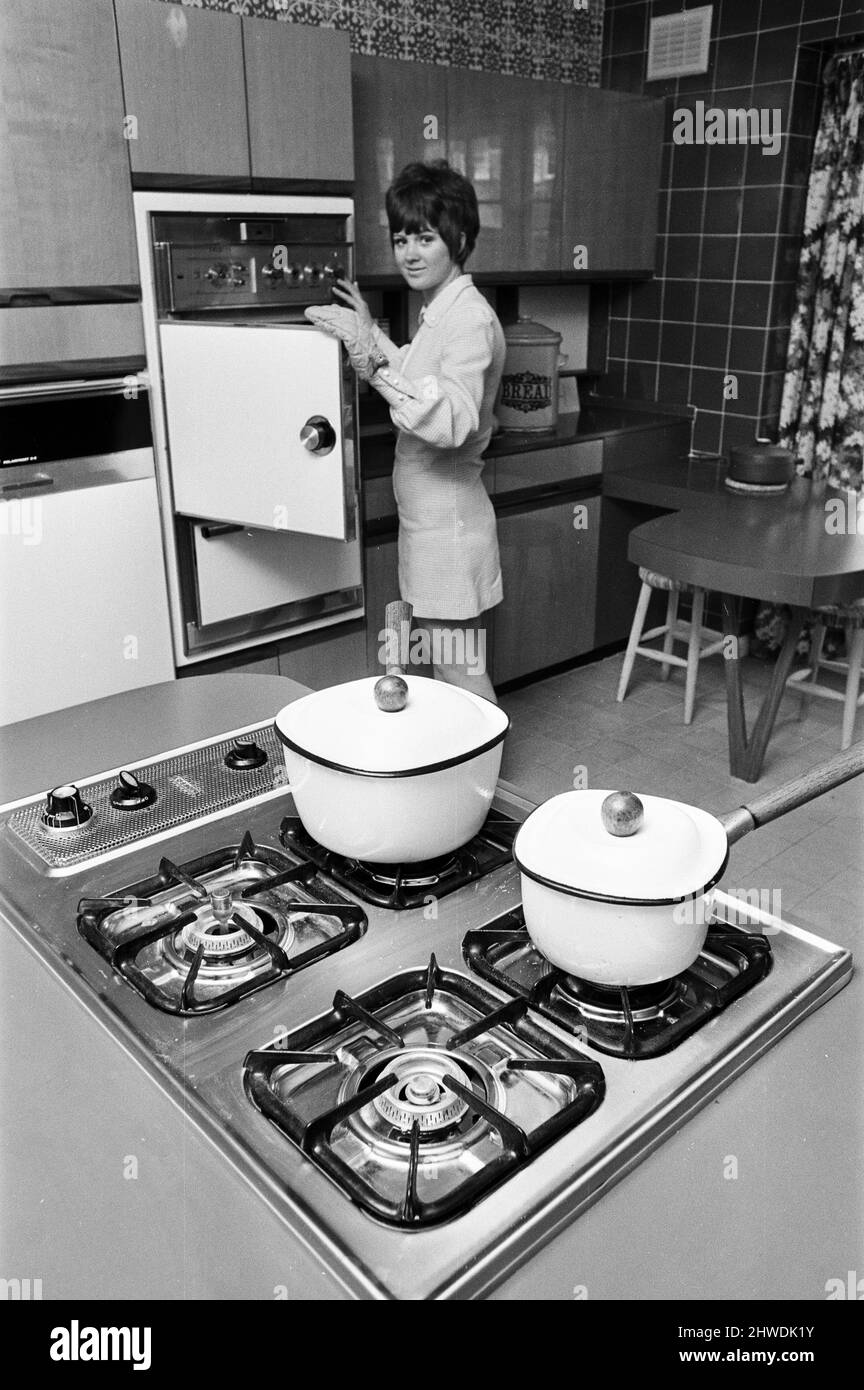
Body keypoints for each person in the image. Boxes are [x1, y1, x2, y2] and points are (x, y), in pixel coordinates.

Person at [306, 160, 506, 703]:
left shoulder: (468, 319)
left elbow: (451, 420)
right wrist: (371, 334)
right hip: (433, 526)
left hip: (449, 530)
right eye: (400, 239)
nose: (410, 252)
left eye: (425, 237)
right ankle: (469, 780)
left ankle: (484, 782)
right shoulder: (441, 312)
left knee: (460, 675)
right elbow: (421, 382)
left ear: (459, 239)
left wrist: (372, 364)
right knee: (447, 674)